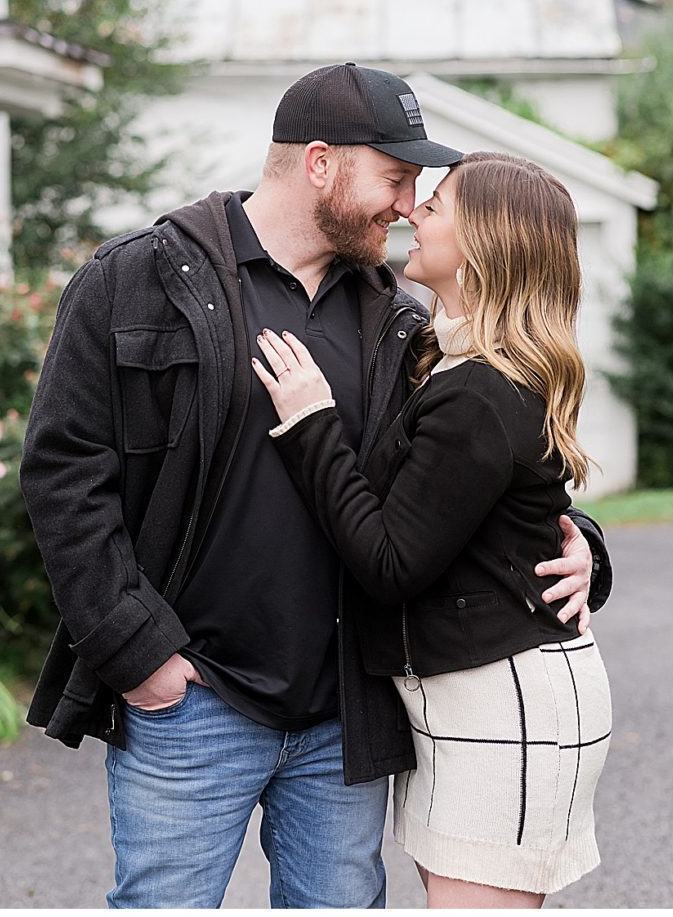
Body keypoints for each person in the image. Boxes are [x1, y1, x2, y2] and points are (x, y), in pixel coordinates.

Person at [18, 64, 611, 908]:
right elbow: (63, 473)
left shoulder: (402, 317)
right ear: (321, 163)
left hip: (345, 716)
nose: (408, 204)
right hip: (193, 703)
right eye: (396, 178)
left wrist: (579, 541)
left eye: (417, 189)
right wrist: (137, 651)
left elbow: (472, 471)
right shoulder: (136, 279)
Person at [251, 151, 609, 907]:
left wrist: (313, 424)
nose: (414, 209)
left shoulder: (479, 387)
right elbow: (495, 512)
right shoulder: (449, 361)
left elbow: (390, 559)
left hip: (498, 703)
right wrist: (583, 539)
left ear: (482, 242)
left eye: (436, 204)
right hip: (460, 698)